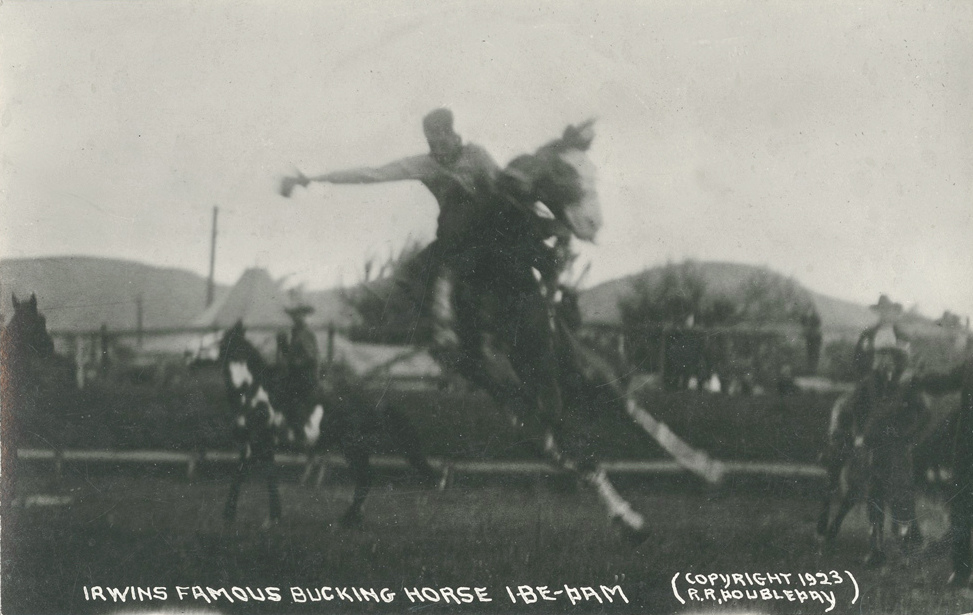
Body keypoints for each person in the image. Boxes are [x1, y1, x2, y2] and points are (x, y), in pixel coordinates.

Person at [279, 108, 501, 351]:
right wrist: (313, 179)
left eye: (439, 140)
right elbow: (373, 174)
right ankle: (438, 330)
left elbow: (503, 187)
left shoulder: (477, 156)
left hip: (488, 233)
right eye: (430, 141)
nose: (435, 148)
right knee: (410, 275)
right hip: (453, 240)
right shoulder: (424, 164)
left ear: (450, 132)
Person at [914, 333, 973, 586]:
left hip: (966, 449)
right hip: (966, 450)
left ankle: (962, 574)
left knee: (962, 509)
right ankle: (960, 572)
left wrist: (921, 377)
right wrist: (921, 377)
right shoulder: (971, 362)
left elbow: (945, 381)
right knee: (961, 508)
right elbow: (945, 381)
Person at [279, 304, 320, 422]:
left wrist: (295, 363)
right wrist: (283, 345)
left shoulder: (306, 334)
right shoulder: (295, 333)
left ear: (304, 316)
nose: (296, 318)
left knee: (296, 405)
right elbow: (290, 355)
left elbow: (311, 357)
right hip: (295, 374)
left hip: (306, 377)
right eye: (293, 315)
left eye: (299, 315)